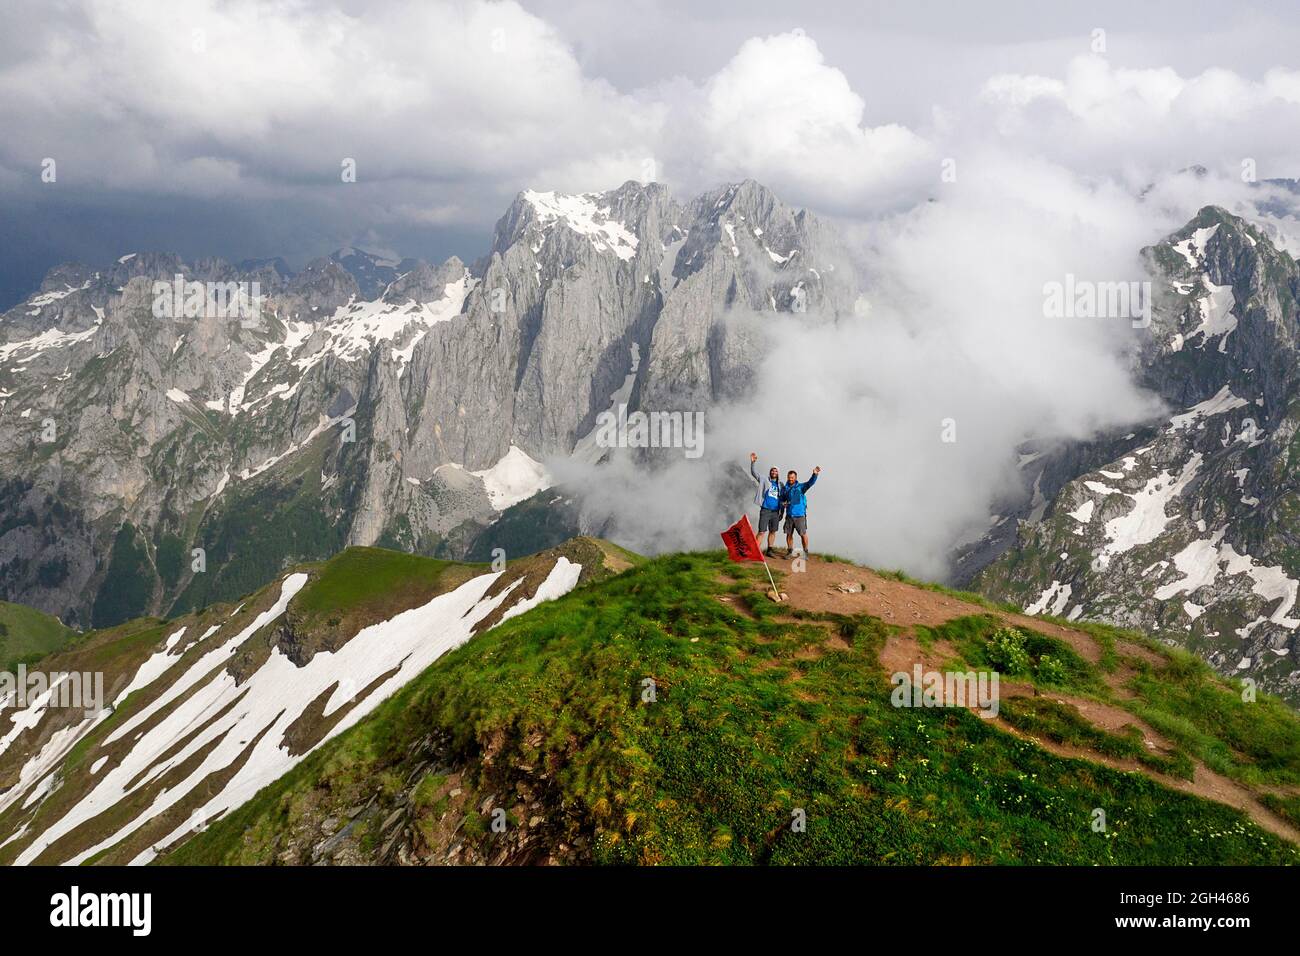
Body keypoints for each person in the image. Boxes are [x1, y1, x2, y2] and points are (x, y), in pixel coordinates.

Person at [749, 452, 784, 557]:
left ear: (778, 473)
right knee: (762, 531)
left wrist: (782, 511)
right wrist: (753, 463)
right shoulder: (764, 479)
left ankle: (769, 550)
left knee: (773, 531)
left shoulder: (780, 485)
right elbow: (754, 473)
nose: (774, 472)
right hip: (765, 510)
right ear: (770, 472)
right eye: (772, 470)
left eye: (776, 471)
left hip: (775, 511)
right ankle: (755, 551)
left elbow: (783, 498)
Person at [783, 466, 821, 557]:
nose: (790, 479)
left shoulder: (800, 487)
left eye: (792, 477)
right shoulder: (785, 489)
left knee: (803, 534)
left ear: (795, 478)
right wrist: (783, 503)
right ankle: (789, 551)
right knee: (789, 534)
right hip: (789, 515)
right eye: (789, 477)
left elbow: (810, 483)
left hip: (800, 515)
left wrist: (814, 474)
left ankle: (805, 552)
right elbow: (782, 500)